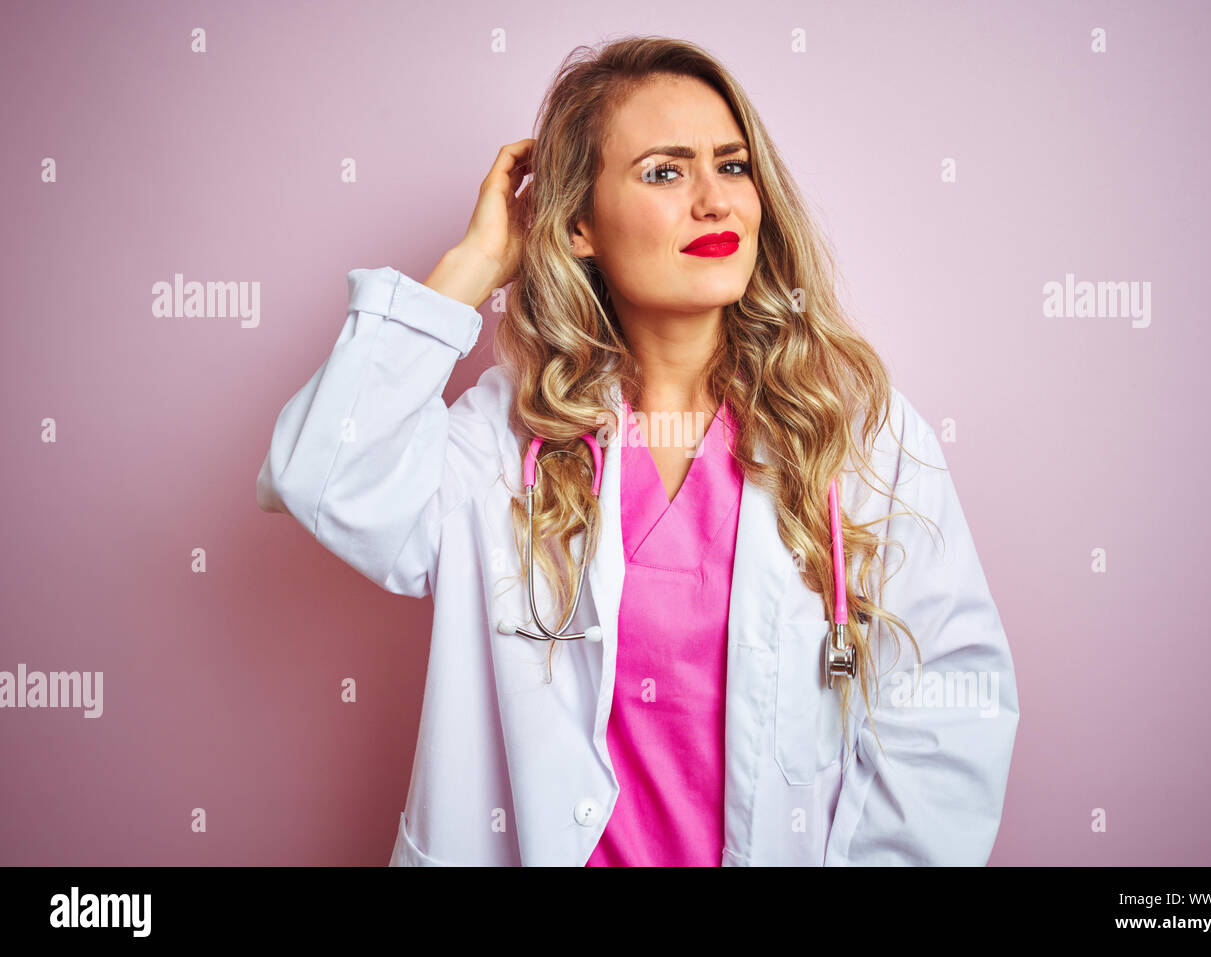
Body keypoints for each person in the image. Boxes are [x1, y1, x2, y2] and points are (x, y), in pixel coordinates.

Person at [256, 35, 1019, 866]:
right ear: (578, 224)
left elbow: (949, 718)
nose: (715, 202)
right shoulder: (508, 439)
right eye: (664, 172)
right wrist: (475, 263)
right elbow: (324, 475)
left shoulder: (857, 435)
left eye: (732, 166)